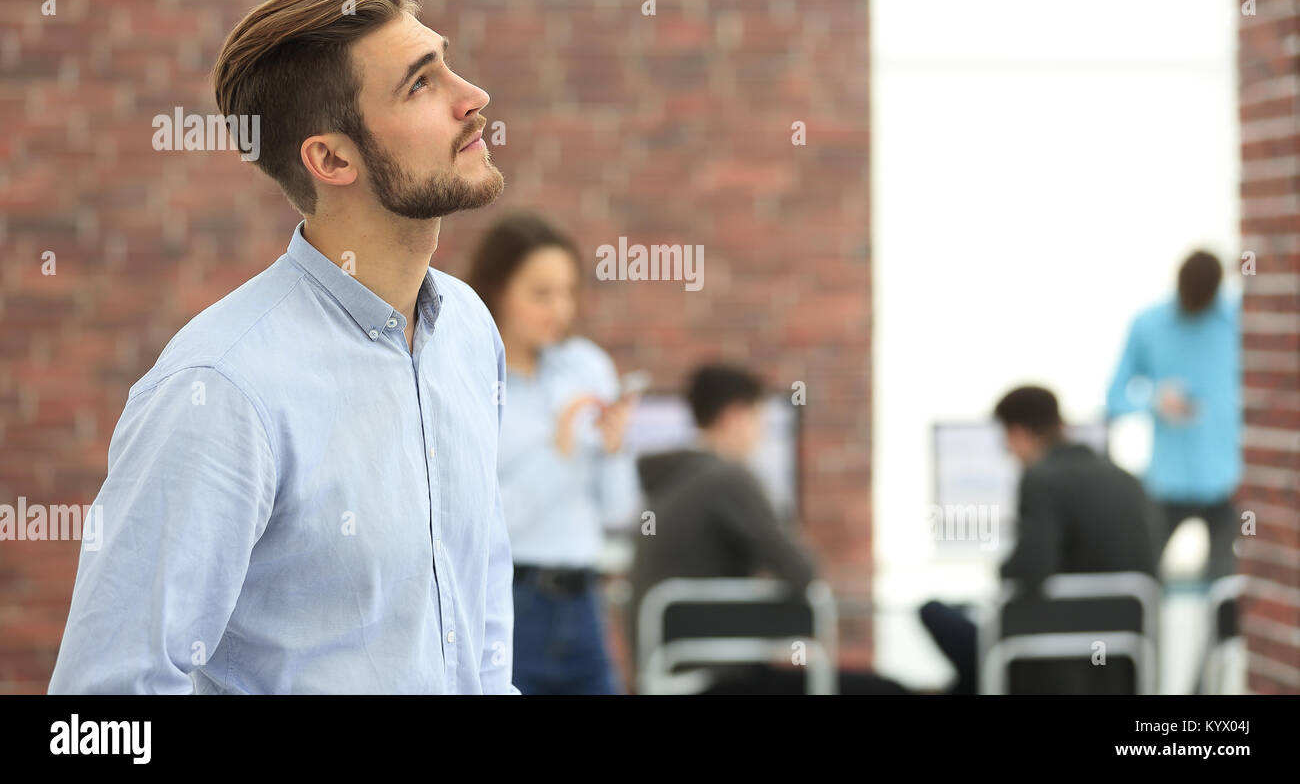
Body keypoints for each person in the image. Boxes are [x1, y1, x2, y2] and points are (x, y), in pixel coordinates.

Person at [49, 0, 518, 693]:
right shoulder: (222, 387)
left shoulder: (469, 332)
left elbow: (480, 621)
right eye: (421, 84)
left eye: (447, 64)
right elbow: (105, 704)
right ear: (331, 158)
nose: (474, 98)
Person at [632, 363, 908, 694]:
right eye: (758, 421)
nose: (759, 435)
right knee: (887, 690)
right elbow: (802, 571)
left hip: (666, 669)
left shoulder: (668, 479)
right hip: (715, 676)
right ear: (734, 417)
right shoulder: (728, 480)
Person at [465, 213, 641, 694]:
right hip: (510, 604)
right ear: (499, 290)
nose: (560, 309)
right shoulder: (472, 378)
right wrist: (559, 450)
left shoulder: (587, 366)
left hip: (585, 602)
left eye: (568, 291)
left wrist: (613, 449)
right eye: (541, 293)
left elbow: (620, 510)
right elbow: (482, 524)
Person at [919, 386, 1158, 694]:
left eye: (1005, 440)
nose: (1007, 451)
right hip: (1119, 657)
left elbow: (1031, 568)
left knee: (937, 616)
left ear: (1018, 433)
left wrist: (1002, 572)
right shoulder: (1127, 481)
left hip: (1059, 654)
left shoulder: (1041, 479)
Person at [1106, 250, 1242, 581]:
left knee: (1225, 587)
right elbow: (1114, 399)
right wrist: (1155, 400)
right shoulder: (1148, 325)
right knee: (1143, 577)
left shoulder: (1239, 321)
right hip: (1167, 484)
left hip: (1226, 482)